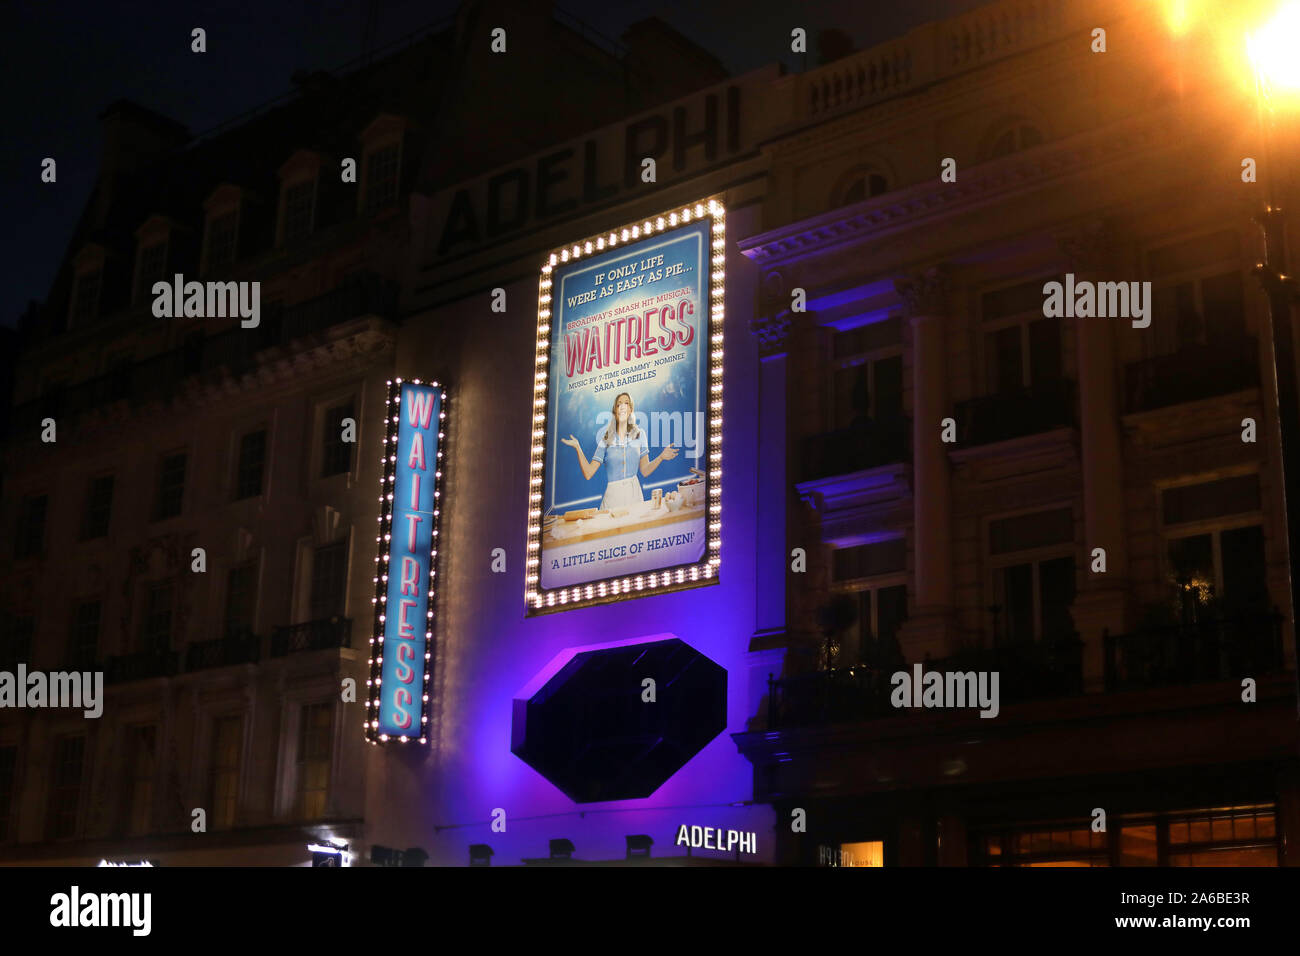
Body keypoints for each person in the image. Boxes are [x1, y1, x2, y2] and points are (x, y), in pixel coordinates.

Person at [560, 392, 678, 511]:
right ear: (615, 411)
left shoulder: (639, 434)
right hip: (613, 499)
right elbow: (588, 473)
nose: (622, 406)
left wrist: (661, 457)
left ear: (631, 409)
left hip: (634, 496)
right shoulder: (606, 439)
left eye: (626, 403)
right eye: (619, 404)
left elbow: (645, 470)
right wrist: (578, 448)